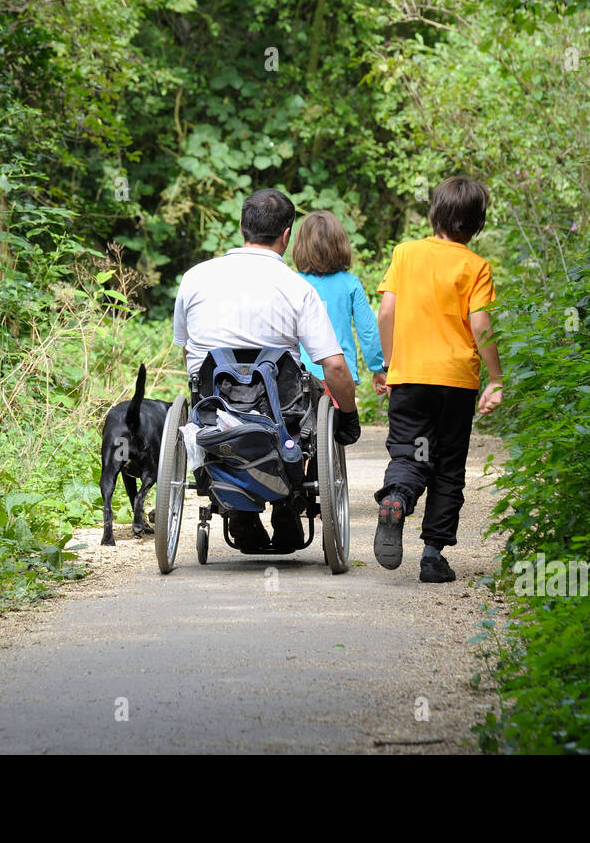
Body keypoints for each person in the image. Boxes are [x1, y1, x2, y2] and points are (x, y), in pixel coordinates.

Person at [173, 189, 362, 552]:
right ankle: (288, 503)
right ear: (286, 235)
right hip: (279, 412)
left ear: (242, 227)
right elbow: (334, 364)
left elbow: (189, 354)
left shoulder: (194, 278)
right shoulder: (297, 288)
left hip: (215, 406)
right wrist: (348, 416)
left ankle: (238, 507)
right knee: (315, 398)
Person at [372, 176, 504, 583]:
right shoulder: (475, 266)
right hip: (456, 383)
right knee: (447, 467)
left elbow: (386, 313)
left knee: (411, 454)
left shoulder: (406, 253)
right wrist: (496, 378)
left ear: (435, 214)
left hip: (410, 377)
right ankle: (432, 556)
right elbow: (479, 324)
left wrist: (390, 365)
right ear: (476, 224)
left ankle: (396, 497)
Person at [291, 211, 386, 393]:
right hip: (340, 373)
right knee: (342, 419)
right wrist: (377, 368)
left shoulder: (293, 283)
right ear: (340, 245)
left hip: (299, 373)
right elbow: (368, 332)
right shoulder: (350, 284)